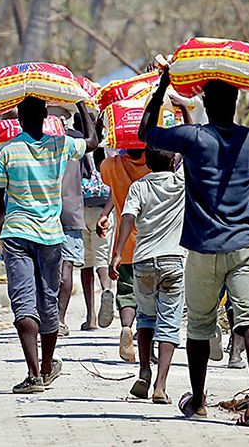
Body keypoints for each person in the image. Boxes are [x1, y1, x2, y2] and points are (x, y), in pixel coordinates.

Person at [139, 70, 249, 427]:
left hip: (202, 249)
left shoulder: (193, 138)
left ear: (205, 104)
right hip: (245, 246)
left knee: (200, 325)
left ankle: (198, 400)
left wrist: (162, 87)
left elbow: (146, 134)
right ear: (234, 105)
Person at [0, 96, 97, 394]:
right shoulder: (60, 144)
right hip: (51, 235)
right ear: (45, 117)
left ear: (21, 119)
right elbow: (92, 141)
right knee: (48, 302)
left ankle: (33, 373)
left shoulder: (7, 152)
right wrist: (80, 105)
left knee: (23, 301)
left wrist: (1, 224)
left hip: (16, 234)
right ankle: (48, 366)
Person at [109, 149, 185, 404]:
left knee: (146, 317)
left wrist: (118, 253)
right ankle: (160, 385)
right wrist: (184, 112)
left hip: (142, 260)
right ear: (174, 161)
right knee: (170, 321)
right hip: (174, 260)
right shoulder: (182, 183)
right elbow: (193, 149)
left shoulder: (138, 186)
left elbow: (128, 217)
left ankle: (144, 371)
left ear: (148, 163)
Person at [97, 148, 150, 362]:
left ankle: (126, 327)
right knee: (151, 298)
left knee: (127, 293)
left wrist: (105, 213)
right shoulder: (157, 161)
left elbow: (101, 168)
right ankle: (150, 348)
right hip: (153, 244)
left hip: (125, 245)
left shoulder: (113, 165)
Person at [57, 120, 87, 335]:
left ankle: (45, 316)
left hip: (42, 211)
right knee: (66, 267)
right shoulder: (74, 141)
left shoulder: (37, 142)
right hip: (71, 209)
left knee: (46, 269)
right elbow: (86, 172)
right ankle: (59, 319)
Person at [81, 147, 115, 329]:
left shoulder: (74, 146)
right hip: (103, 210)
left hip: (80, 210)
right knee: (102, 259)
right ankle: (107, 289)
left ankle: (91, 317)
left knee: (86, 263)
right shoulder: (107, 149)